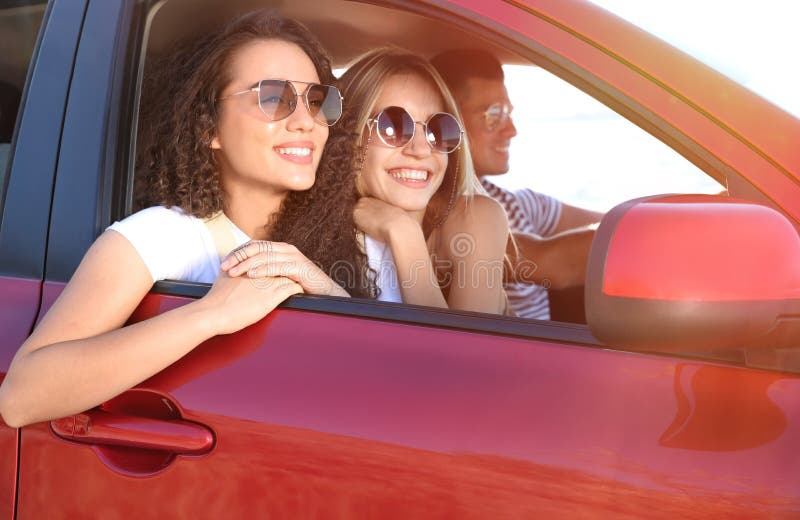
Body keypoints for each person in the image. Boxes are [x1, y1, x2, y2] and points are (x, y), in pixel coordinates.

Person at [0, 12, 373, 428]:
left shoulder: (356, 239)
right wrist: (209, 314)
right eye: (273, 98)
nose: (306, 121)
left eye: (317, 101)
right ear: (208, 127)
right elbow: (22, 395)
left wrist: (327, 291)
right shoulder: (162, 236)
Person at [431, 49, 603, 321]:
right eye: (493, 114)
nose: (511, 129)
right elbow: (555, 264)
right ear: (447, 122)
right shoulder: (447, 218)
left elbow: (610, 223)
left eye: (508, 112)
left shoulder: (518, 203)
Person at [337, 48, 510, 313]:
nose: (420, 149)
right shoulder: (320, 235)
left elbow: (469, 353)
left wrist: (405, 236)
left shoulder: (476, 218)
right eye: (392, 127)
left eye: (438, 129)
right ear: (349, 135)